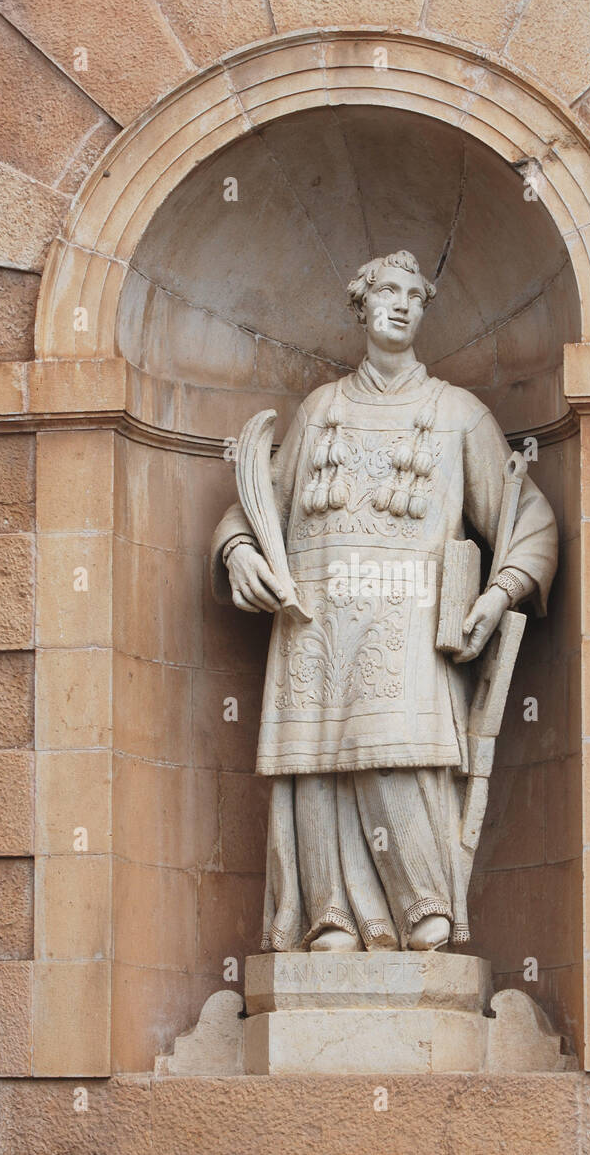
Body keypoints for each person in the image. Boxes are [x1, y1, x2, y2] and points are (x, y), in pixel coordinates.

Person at [211, 250, 557, 953]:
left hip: (409, 630)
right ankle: (328, 912)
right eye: (386, 292)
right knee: (317, 766)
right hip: (316, 624)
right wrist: (239, 554)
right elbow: (256, 511)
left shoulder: (458, 415)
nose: (400, 305)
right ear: (361, 306)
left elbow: (528, 520)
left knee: (394, 754)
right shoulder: (321, 411)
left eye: (413, 295)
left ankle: (418, 901)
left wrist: (499, 594)